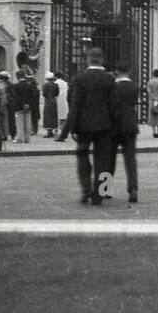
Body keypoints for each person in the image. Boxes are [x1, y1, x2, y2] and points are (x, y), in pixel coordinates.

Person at [69, 48, 117, 204]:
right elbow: (113, 106)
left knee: (82, 155)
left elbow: (75, 105)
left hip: (84, 125)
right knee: (103, 159)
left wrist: (72, 127)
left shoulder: (79, 78)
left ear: (87, 60)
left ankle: (86, 190)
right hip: (104, 125)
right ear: (102, 60)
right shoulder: (109, 79)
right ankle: (100, 194)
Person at [107, 64, 140, 204]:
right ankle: (133, 189)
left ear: (116, 72)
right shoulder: (134, 87)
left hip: (113, 127)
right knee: (130, 160)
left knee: (107, 161)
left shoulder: (112, 87)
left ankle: (105, 190)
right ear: (129, 71)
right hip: (130, 126)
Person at [12, 70, 36, 143]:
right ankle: (27, 139)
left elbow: (16, 97)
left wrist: (22, 104)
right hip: (28, 107)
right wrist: (28, 104)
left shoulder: (15, 86)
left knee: (20, 123)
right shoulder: (30, 85)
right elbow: (33, 96)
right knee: (27, 123)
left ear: (18, 77)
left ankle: (20, 138)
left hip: (19, 107)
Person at [146, 69, 158, 137]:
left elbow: (148, 91)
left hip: (152, 100)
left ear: (153, 74)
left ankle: (154, 131)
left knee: (152, 115)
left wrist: (154, 97)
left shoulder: (150, 81)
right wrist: (157, 97)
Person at [41, 72, 61, 139]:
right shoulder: (56, 85)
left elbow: (44, 94)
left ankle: (49, 131)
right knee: (54, 115)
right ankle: (54, 129)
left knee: (47, 115)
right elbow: (57, 94)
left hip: (48, 100)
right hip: (54, 100)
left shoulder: (45, 85)